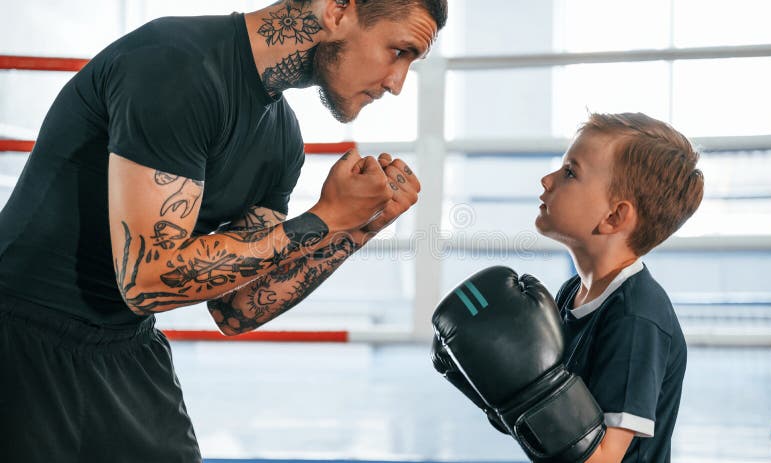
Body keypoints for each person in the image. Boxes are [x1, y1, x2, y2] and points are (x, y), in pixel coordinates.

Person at [0, 0, 447, 461]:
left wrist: (355, 229)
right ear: (336, 11)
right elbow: (147, 282)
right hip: (20, 336)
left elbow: (237, 309)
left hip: (123, 345)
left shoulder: (281, 139)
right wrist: (326, 217)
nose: (397, 84)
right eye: (399, 51)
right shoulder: (175, 65)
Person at [431, 112, 704, 462]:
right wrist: (498, 387)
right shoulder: (571, 294)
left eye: (570, 173)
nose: (547, 179)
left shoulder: (636, 317)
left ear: (614, 217)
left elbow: (603, 457)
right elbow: (549, 430)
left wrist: (524, 391)